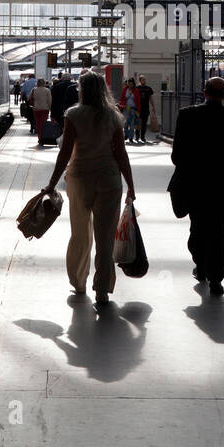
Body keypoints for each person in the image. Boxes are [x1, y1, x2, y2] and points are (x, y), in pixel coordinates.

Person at [43, 73, 136, 307]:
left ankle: (79, 281)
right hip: (109, 179)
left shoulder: (73, 114)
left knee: (80, 233)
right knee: (105, 238)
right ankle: (102, 290)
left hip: (80, 179)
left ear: (82, 90)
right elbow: (121, 154)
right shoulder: (114, 116)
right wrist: (131, 185)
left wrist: (53, 183)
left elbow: (65, 152)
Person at [169, 77, 224, 296]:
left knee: (198, 227)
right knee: (219, 231)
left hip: (194, 186)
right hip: (223, 188)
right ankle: (216, 279)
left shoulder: (187, 116)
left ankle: (201, 265)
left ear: (204, 92)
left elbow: (177, 156)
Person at [118, 78, 141, 145]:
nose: (130, 85)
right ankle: (126, 134)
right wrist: (121, 105)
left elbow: (138, 101)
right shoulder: (125, 89)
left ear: (133, 84)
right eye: (129, 83)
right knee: (125, 123)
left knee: (132, 124)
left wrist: (139, 110)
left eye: (131, 83)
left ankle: (131, 137)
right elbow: (122, 98)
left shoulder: (136, 90)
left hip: (133, 109)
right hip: (126, 108)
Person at [30, 78, 52, 146]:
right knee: (43, 124)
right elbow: (49, 100)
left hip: (36, 109)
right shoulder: (47, 90)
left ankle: (39, 138)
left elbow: (30, 98)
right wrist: (50, 109)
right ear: (44, 83)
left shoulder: (34, 90)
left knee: (38, 124)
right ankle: (42, 138)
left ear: (37, 83)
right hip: (45, 109)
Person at [136, 75, 156, 143]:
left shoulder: (148, 88)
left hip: (146, 109)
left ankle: (143, 137)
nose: (144, 81)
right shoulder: (137, 88)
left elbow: (151, 98)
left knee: (144, 123)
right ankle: (137, 136)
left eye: (145, 79)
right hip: (138, 108)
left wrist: (153, 106)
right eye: (143, 80)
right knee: (139, 123)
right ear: (140, 80)